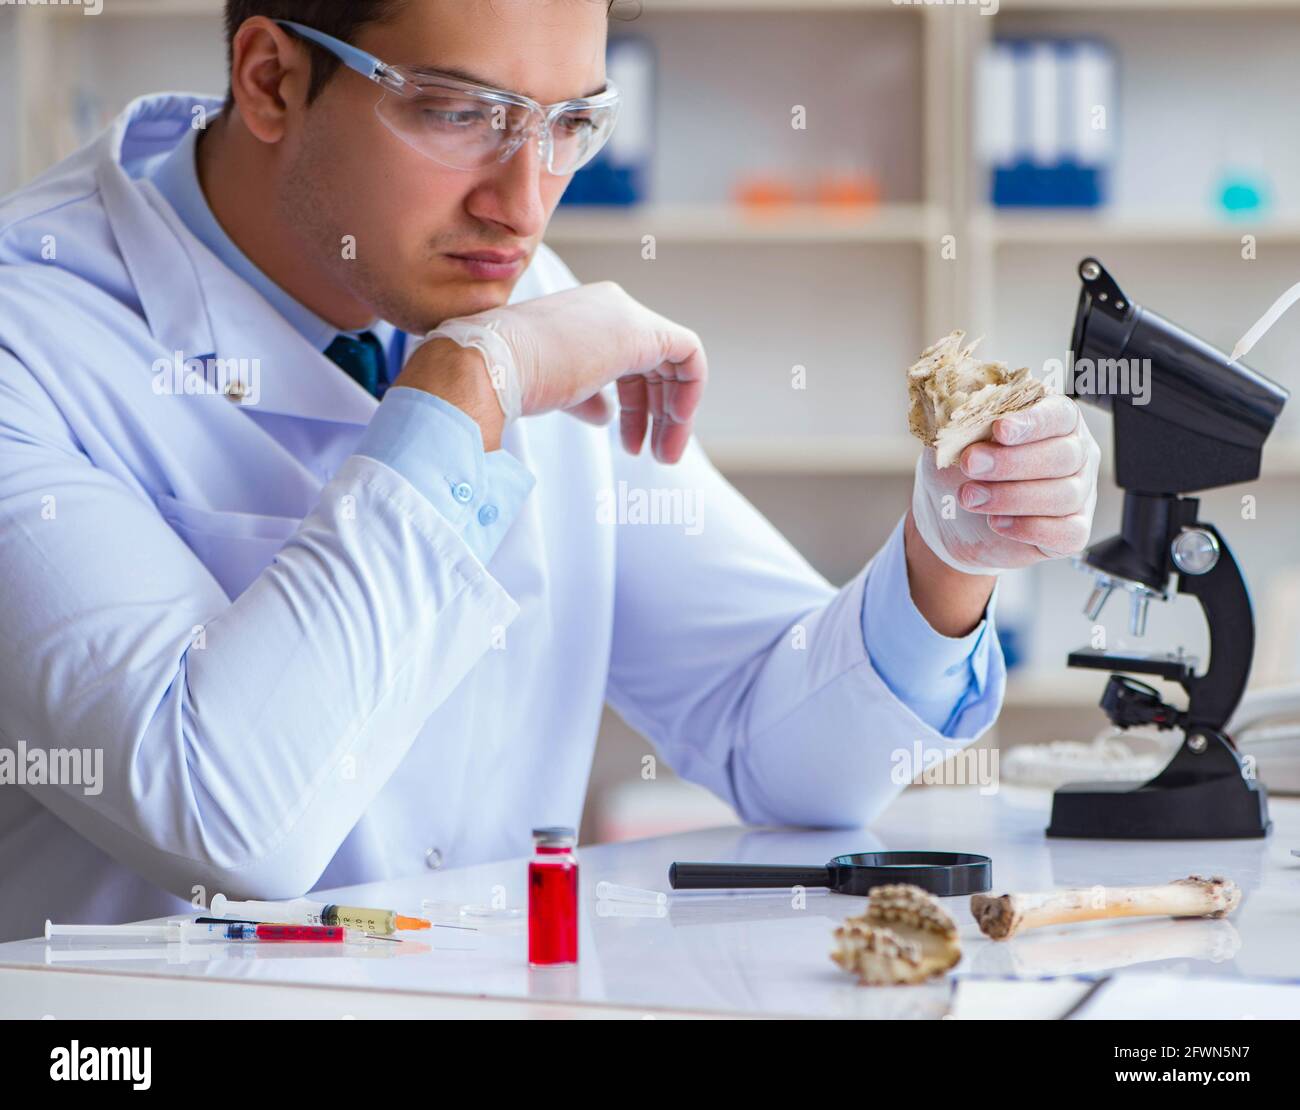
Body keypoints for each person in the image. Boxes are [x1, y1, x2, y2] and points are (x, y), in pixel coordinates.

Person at [0, 0, 1099, 941]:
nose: (522, 206)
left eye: (570, 123)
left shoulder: (503, 298)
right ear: (272, 79)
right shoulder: (31, 337)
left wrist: (948, 558)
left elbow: (781, 751)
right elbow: (227, 820)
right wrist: (459, 397)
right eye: (459, 112)